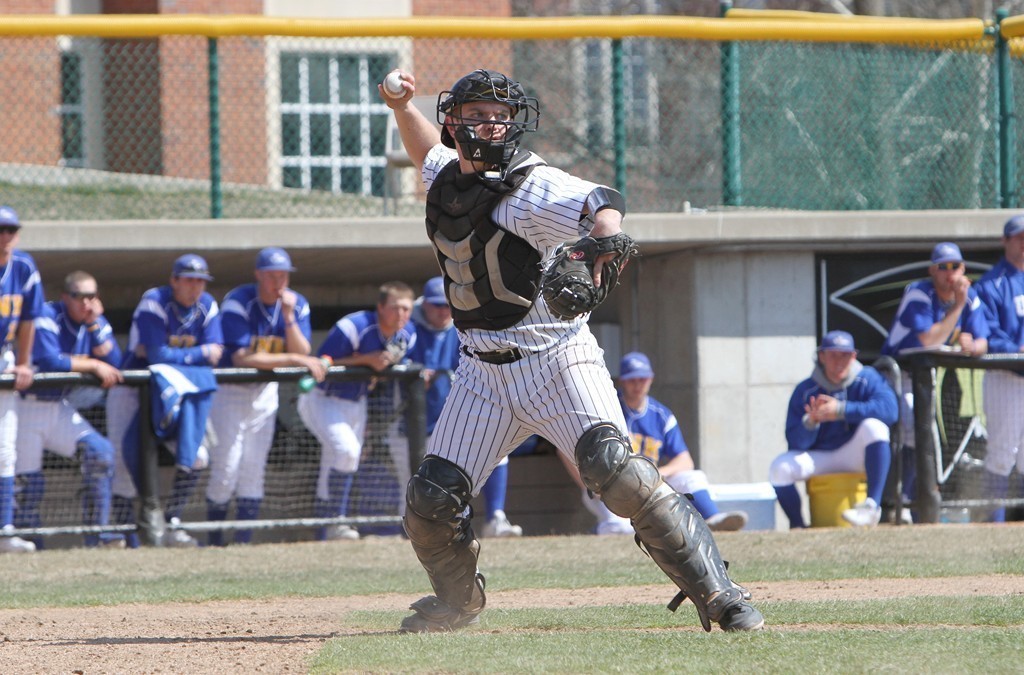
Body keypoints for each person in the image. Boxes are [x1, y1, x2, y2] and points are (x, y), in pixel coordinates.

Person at [380, 68, 763, 633]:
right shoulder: (447, 176)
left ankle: (722, 594)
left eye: (500, 115)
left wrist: (605, 234)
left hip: (555, 357)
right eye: (478, 113)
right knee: (429, 503)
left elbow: (598, 201)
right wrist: (399, 106)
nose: (491, 123)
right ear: (453, 122)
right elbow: (426, 153)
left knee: (617, 472)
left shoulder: (530, 187)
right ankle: (457, 603)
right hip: (480, 372)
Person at [205, 247, 327, 546]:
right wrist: (293, 361)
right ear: (258, 275)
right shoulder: (239, 300)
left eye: (283, 274)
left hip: (264, 394)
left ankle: (243, 541)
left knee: (254, 468)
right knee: (226, 467)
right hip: (230, 391)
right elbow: (242, 358)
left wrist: (288, 316)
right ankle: (215, 541)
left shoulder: (296, 304)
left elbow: (303, 351)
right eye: (272, 275)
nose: (278, 281)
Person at [107, 253, 224, 547]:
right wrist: (199, 354)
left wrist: (178, 358)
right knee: (121, 461)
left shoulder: (208, 305)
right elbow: (156, 355)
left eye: (201, 281)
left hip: (179, 390)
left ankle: (171, 521)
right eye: (189, 280)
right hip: (132, 390)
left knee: (198, 457)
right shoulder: (154, 301)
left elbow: (217, 352)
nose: (196, 287)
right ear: (174, 280)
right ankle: (125, 534)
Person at [298, 281, 416, 542]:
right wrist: (366, 360)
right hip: (323, 398)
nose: (401, 315)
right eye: (395, 308)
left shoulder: (407, 335)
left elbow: (392, 368)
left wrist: (381, 369)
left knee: (337, 460)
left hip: (358, 402)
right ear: (381, 307)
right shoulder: (352, 326)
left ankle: (324, 532)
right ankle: (337, 523)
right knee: (347, 452)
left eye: (406, 309)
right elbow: (323, 363)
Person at [15, 271, 124, 548]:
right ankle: (29, 542)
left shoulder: (92, 322)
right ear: (66, 297)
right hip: (24, 407)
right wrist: (92, 364)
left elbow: (115, 360)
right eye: (79, 297)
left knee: (100, 453)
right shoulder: (46, 315)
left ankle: (97, 536)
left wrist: (96, 324)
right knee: (29, 483)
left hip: (57, 408)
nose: (86, 303)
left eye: (92, 296)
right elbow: (49, 361)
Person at [881, 242, 989, 517]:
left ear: (964, 269)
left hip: (932, 382)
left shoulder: (970, 295)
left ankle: (910, 504)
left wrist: (971, 345)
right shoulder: (919, 293)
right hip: (897, 377)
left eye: (956, 266)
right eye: (943, 267)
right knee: (914, 432)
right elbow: (929, 339)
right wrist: (958, 308)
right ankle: (897, 502)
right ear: (933, 270)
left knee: (927, 438)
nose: (950, 273)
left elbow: (983, 343)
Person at [409, 276, 522, 538]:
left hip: (461, 416)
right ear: (424, 305)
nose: (442, 311)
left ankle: (495, 517)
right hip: (416, 423)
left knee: (499, 451)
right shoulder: (411, 331)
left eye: (446, 305)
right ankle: (407, 529)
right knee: (418, 480)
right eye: (436, 305)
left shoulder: (463, 327)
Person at [771, 330, 898, 528]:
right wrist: (811, 422)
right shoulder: (806, 389)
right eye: (832, 355)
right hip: (820, 457)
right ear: (821, 356)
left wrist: (841, 410)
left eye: (845, 355)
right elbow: (795, 442)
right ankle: (798, 526)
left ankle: (872, 507)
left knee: (876, 427)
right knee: (780, 467)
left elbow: (890, 411)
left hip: (855, 455)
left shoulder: (867, 378)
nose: (839, 361)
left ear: (854, 356)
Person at [616, 352, 748, 531]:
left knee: (693, 477)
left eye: (642, 379)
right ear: (622, 381)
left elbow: (685, 461)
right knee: (620, 528)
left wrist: (657, 473)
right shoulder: (611, 411)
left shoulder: (661, 415)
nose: (638, 384)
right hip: (616, 484)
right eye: (632, 380)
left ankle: (714, 519)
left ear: (651, 379)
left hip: (652, 481)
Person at [975, 216, 1024, 522]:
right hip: (1006, 376)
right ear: (1005, 241)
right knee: (1002, 454)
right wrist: (1016, 351)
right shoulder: (991, 283)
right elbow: (988, 334)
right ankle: (995, 527)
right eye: (1019, 237)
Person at [0, 205, 43, 554]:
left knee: (5, 449)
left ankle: (4, 530)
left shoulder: (24, 266)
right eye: (0, 229)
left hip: (4, 359)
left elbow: (29, 319)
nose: (5, 236)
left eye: (11, 229)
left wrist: (25, 362)